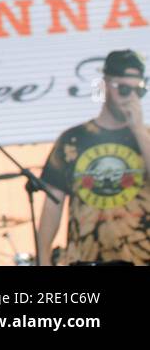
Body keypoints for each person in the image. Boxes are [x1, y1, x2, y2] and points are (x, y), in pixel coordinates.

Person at [38, 49, 149, 265]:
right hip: (87, 258)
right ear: (106, 85)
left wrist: (138, 130)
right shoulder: (73, 139)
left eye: (139, 91)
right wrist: (43, 257)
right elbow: (52, 205)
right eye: (124, 89)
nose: (132, 98)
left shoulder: (146, 137)